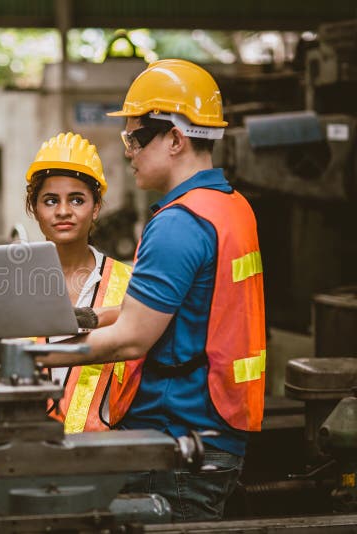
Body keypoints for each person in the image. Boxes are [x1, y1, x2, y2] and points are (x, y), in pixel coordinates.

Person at [37, 59, 266, 521]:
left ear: (176, 139)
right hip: (217, 427)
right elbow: (172, 310)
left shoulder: (178, 224)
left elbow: (132, 339)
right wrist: (88, 318)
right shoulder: (230, 207)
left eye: (136, 138)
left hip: (179, 436)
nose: (128, 152)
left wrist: (29, 355)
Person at [24, 132, 132, 433]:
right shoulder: (11, 283)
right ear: (35, 208)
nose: (62, 211)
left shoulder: (129, 285)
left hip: (106, 456)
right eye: (50, 200)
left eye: (77, 200)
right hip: (24, 453)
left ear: (96, 208)